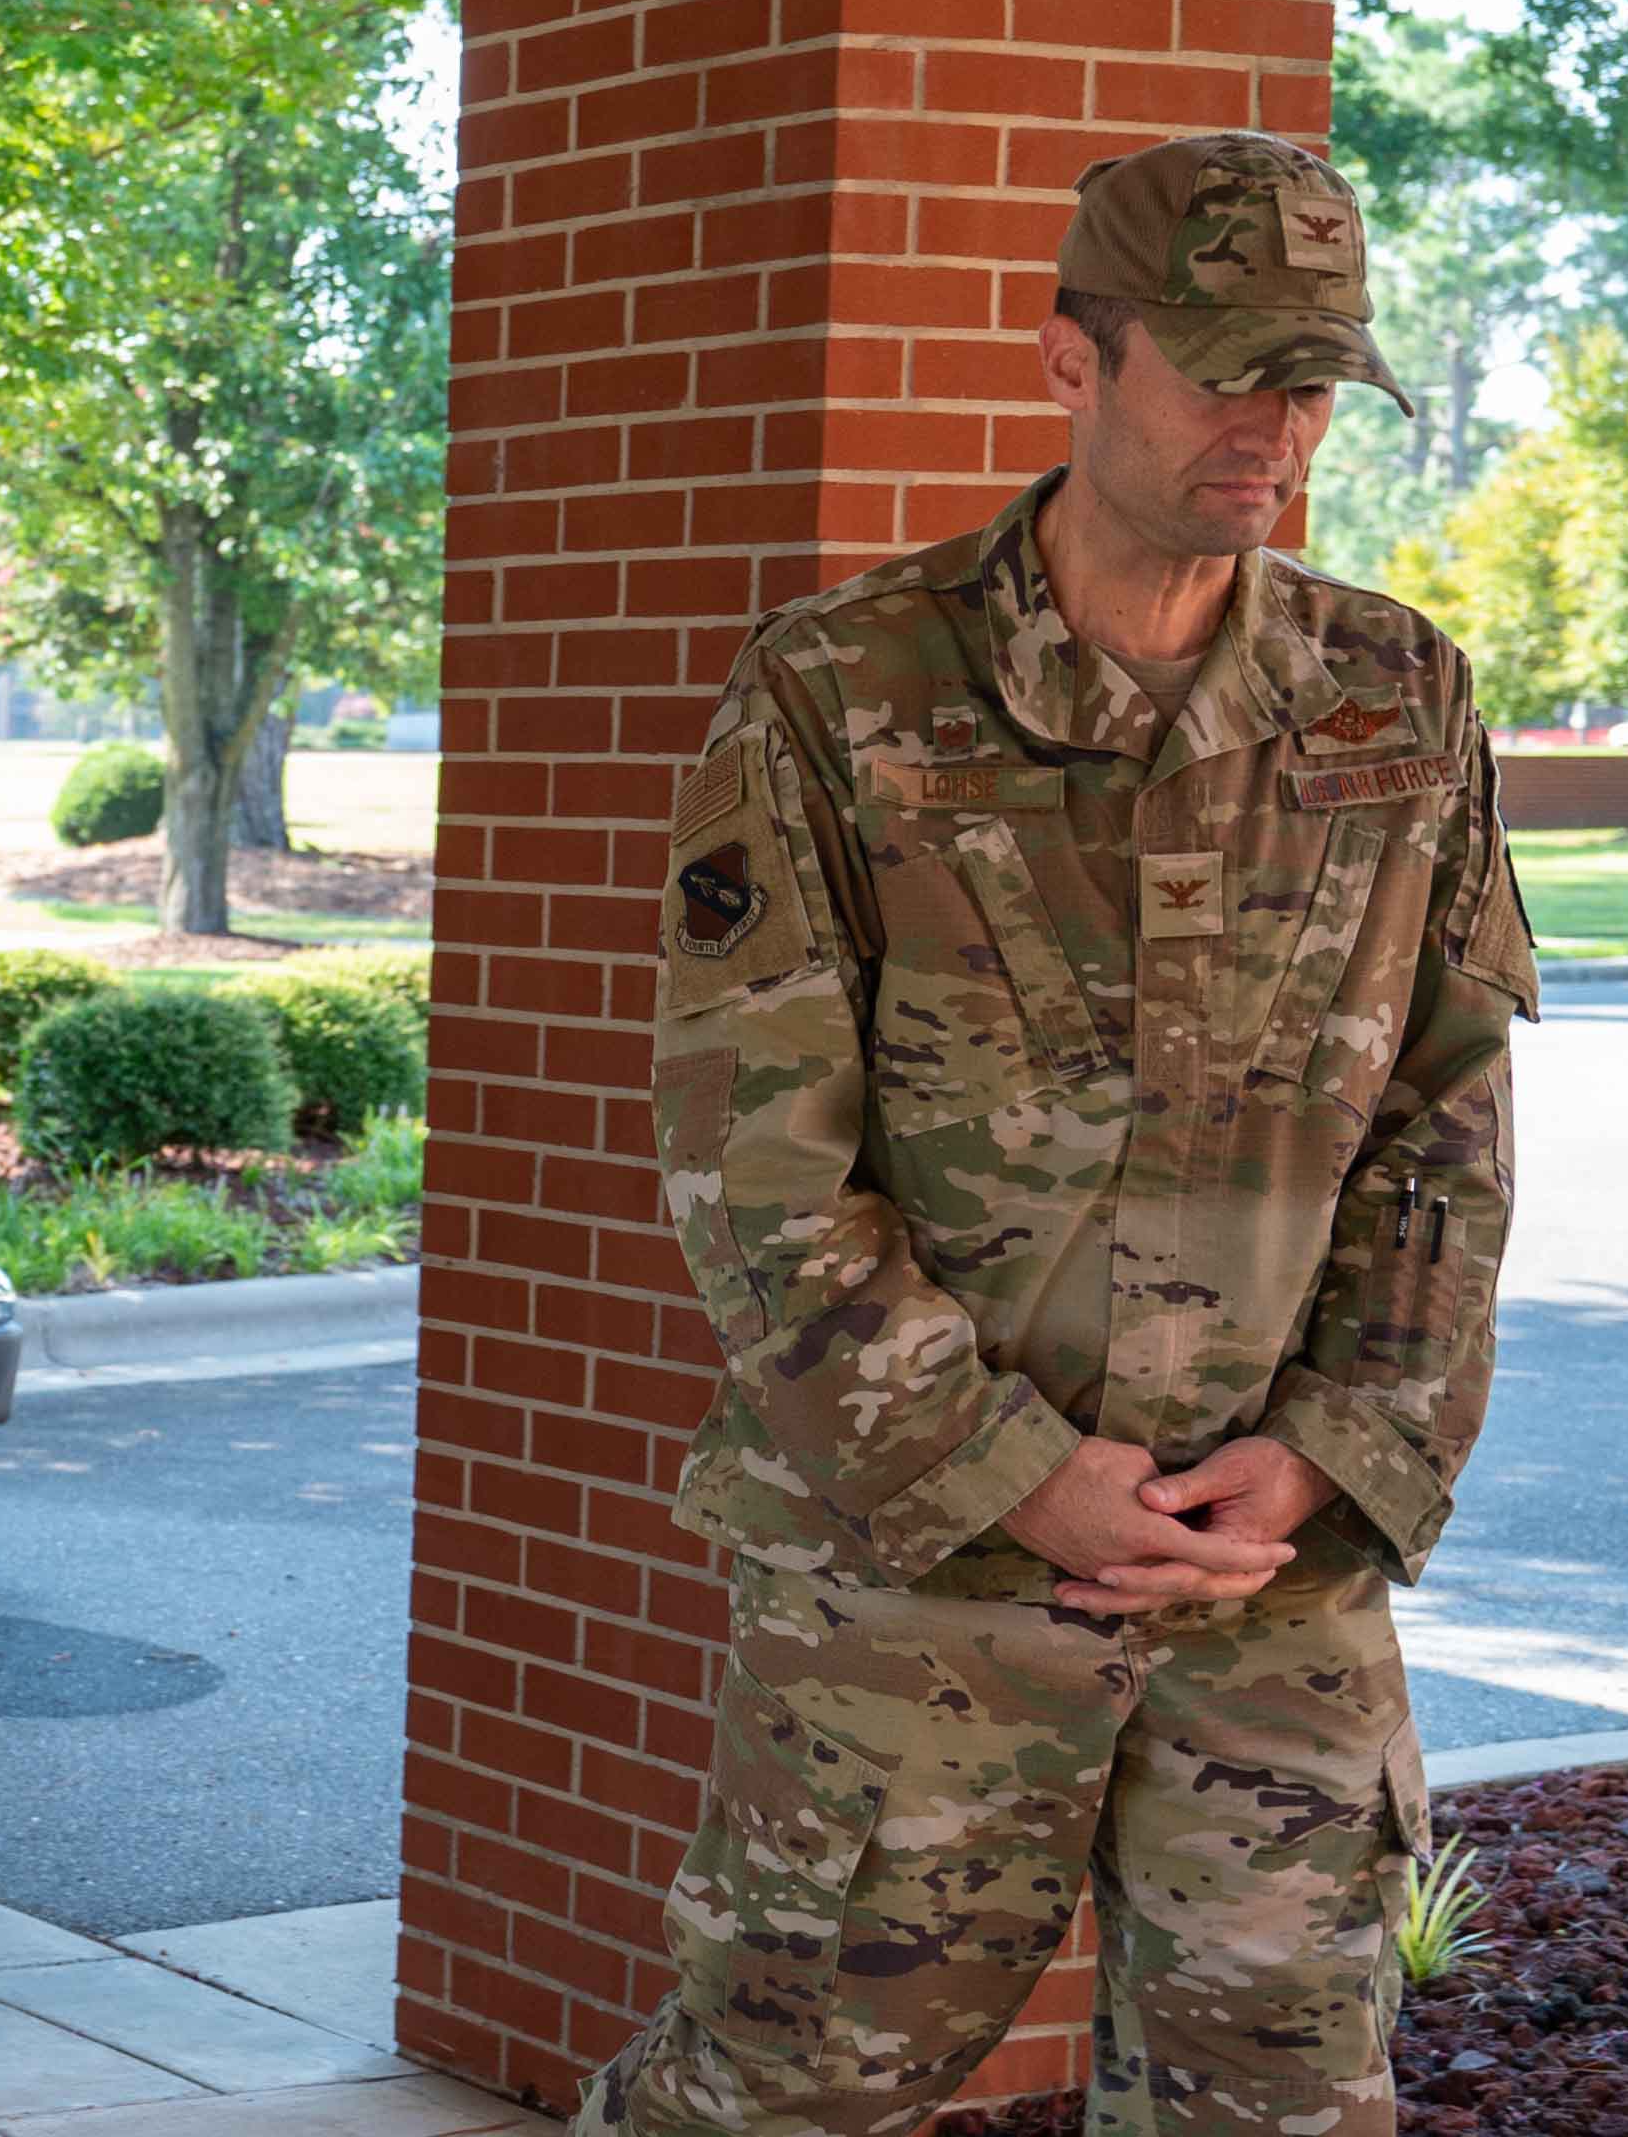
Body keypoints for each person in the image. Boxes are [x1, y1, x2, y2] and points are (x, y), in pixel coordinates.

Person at [570, 132, 1536, 2137]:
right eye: (1225, 372)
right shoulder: (843, 691)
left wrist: (1332, 1449)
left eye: (1312, 381)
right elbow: (754, 1169)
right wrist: (1016, 1471)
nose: (1274, 428)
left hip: (1267, 1581)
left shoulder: (1392, 696)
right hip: (912, 1583)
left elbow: (1444, 1127)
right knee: (781, 2102)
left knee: (1277, 2109)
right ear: (1070, 360)